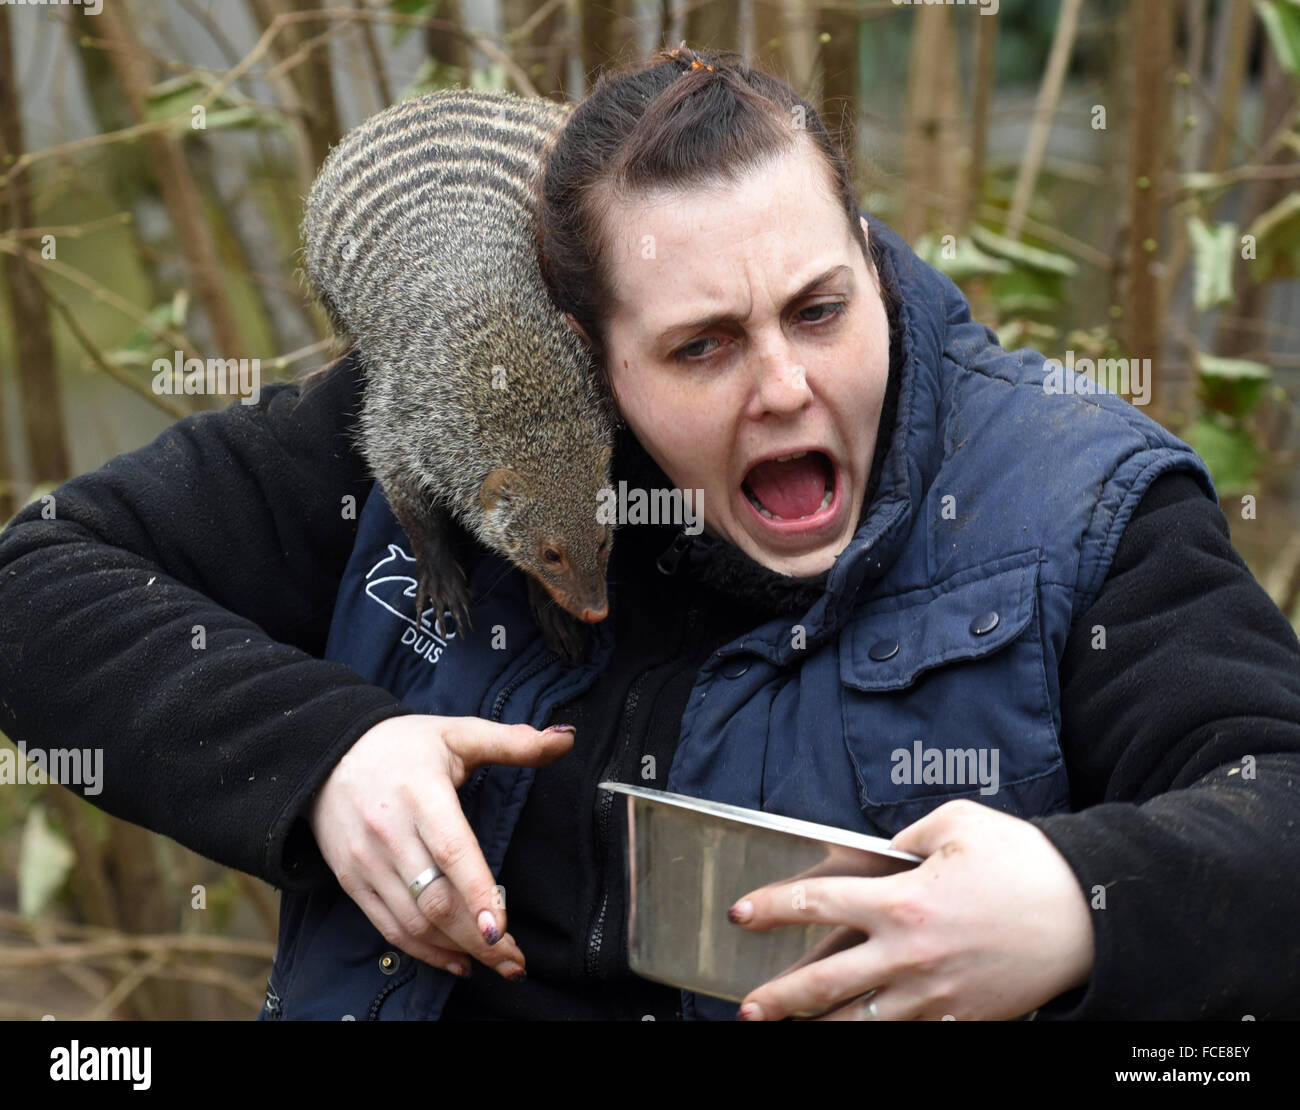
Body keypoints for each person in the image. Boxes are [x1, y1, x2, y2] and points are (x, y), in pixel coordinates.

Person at [2, 44, 1298, 1022]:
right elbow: (37, 585)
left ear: (861, 249)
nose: (783, 385)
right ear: (590, 355)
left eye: (818, 310)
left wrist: (1080, 903)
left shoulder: (1076, 500)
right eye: (703, 347)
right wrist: (327, 756)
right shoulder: (463, 420)